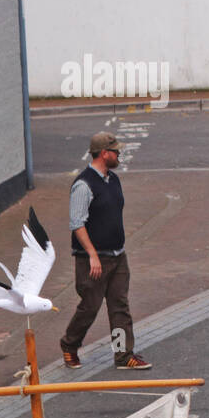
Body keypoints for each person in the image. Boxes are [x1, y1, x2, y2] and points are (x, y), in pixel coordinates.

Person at [60, 131, 151, 372]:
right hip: (93, 259)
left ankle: (123, 356)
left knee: (120, 306)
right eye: (115, 151)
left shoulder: (113, 180)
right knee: (90, 306)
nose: (119, 154)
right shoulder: (83, 185)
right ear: (104, 153)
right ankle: (69, 345)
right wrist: (91, 255)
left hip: (118, 256)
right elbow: (76, 223)